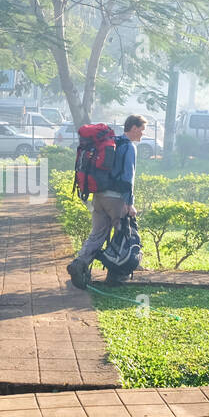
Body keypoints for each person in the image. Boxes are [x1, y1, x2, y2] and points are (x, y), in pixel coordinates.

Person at [67, 114, 146, 289]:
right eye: (141, 130)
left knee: (97, 234)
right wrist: (129, 203)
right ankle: (115, 276)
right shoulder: (130, 147)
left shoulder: (111, 142)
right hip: (116, 199)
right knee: (121, 235)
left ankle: (79, 264)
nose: (142, 134)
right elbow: (128, 178)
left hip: (99, 196)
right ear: (133, 128)